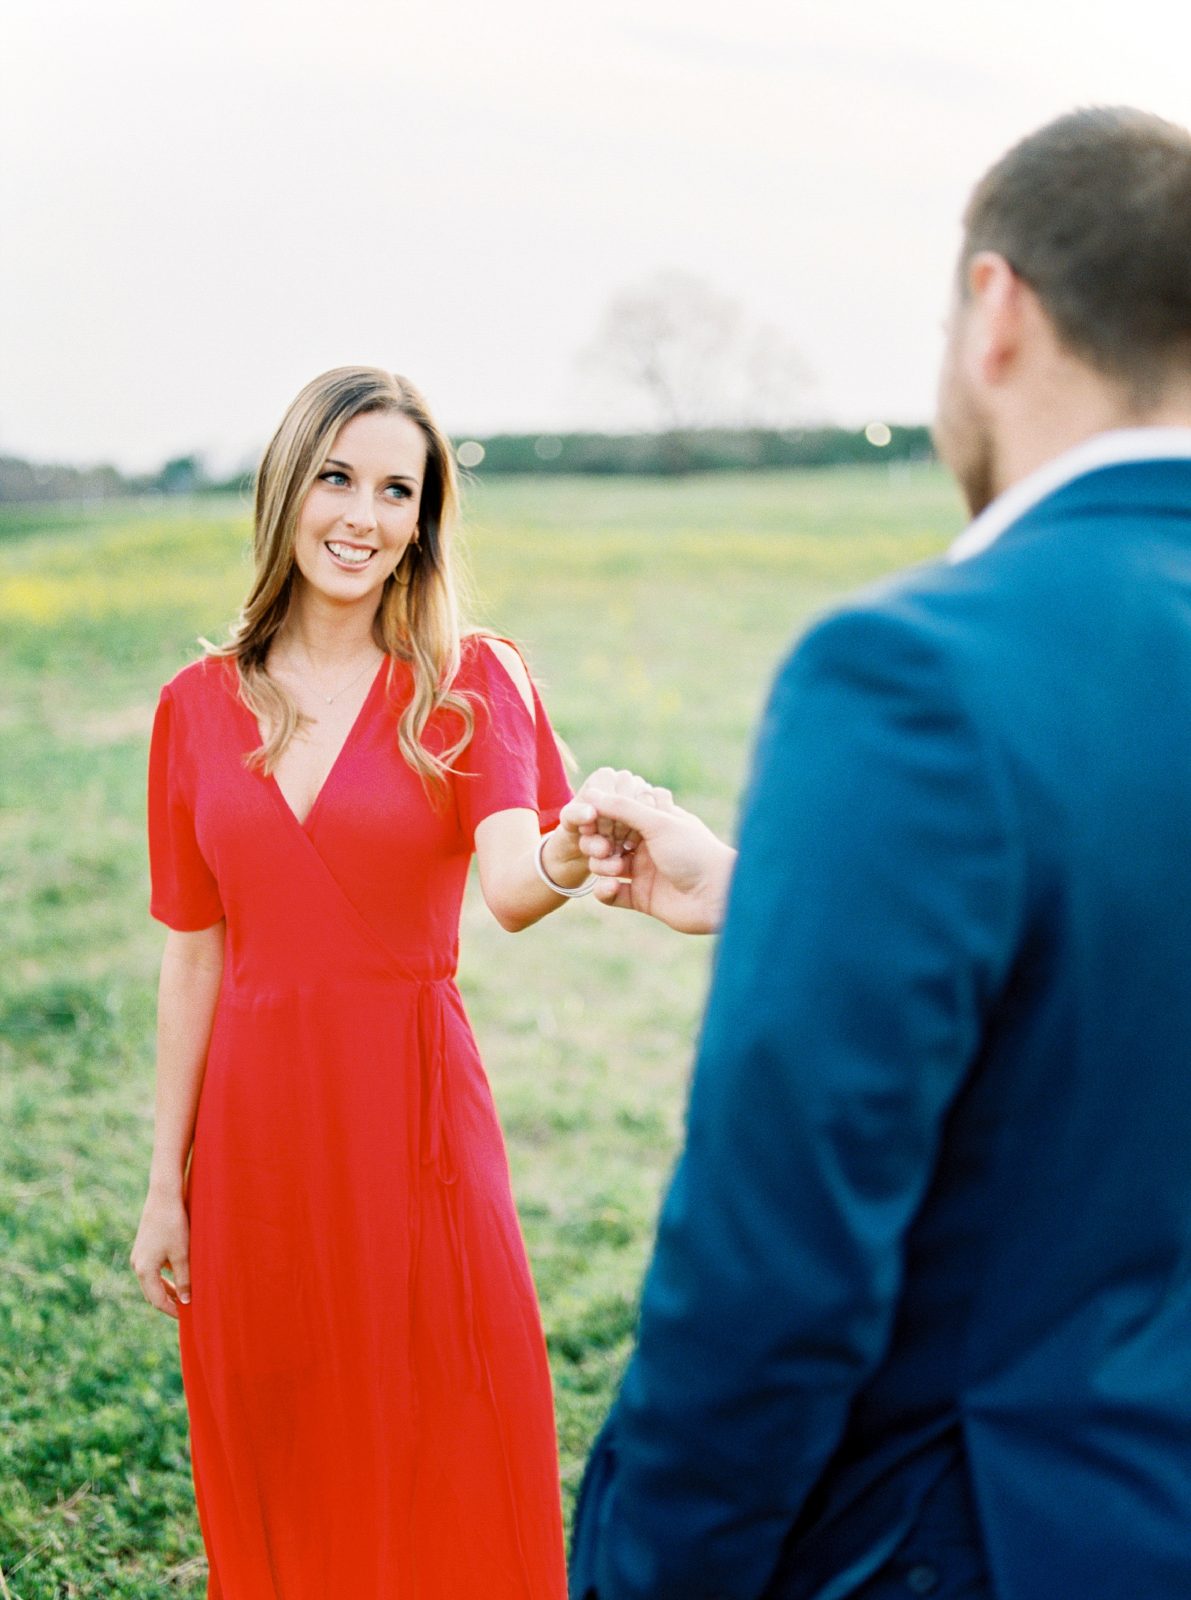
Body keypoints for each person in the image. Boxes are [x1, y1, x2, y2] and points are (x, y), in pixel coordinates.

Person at [567, 106, 1191, 1600]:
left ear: (993, 311)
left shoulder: (915, 672)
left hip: (999, 1537)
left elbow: (771, 1263)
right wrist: (774, 897)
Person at [128, 365, 653, 1599]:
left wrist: (575, 847)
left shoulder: (473, 681)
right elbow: (193, 949)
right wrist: (167, 1185)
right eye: (337, 477)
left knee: (455, 1423)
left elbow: (515, 886)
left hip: (413, 1118)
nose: (363, 515)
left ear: (426, 517)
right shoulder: (193, 709)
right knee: (286, 1437)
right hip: (256, 1135)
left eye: (397, 489)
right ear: (287, 488)